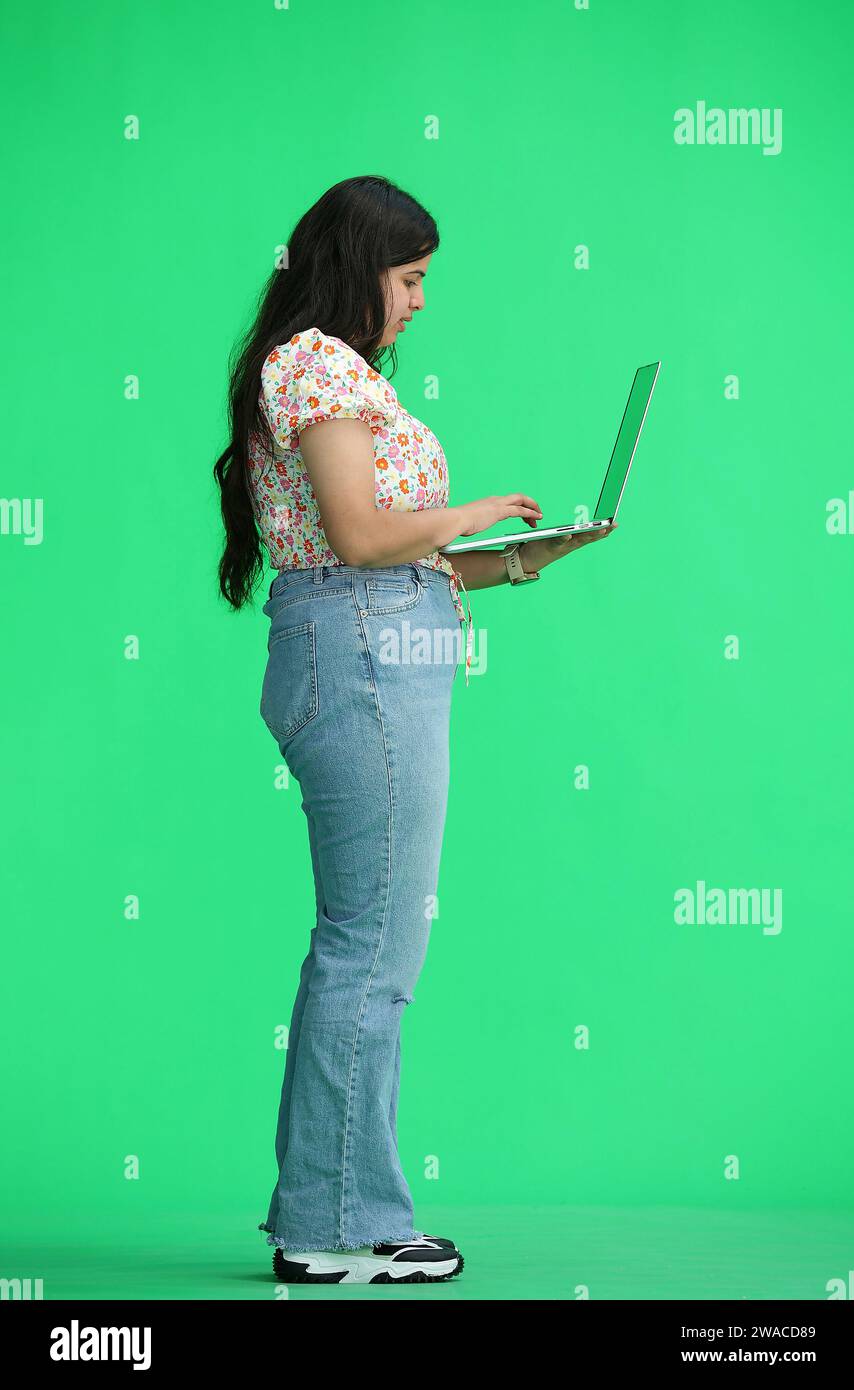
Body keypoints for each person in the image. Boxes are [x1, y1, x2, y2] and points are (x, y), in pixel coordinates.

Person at [212, 175, 616, 1285]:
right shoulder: (312, 363)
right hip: (364, 660)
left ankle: (339, 1211)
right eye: (409, 277)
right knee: (369, 950)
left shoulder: (324, 372)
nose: (420, 300)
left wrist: (532, 553)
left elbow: (401, 556)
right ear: (359, 271)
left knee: (374, 946)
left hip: (378, 647)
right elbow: (355, 532)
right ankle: (331, 1226)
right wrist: (475, 509)